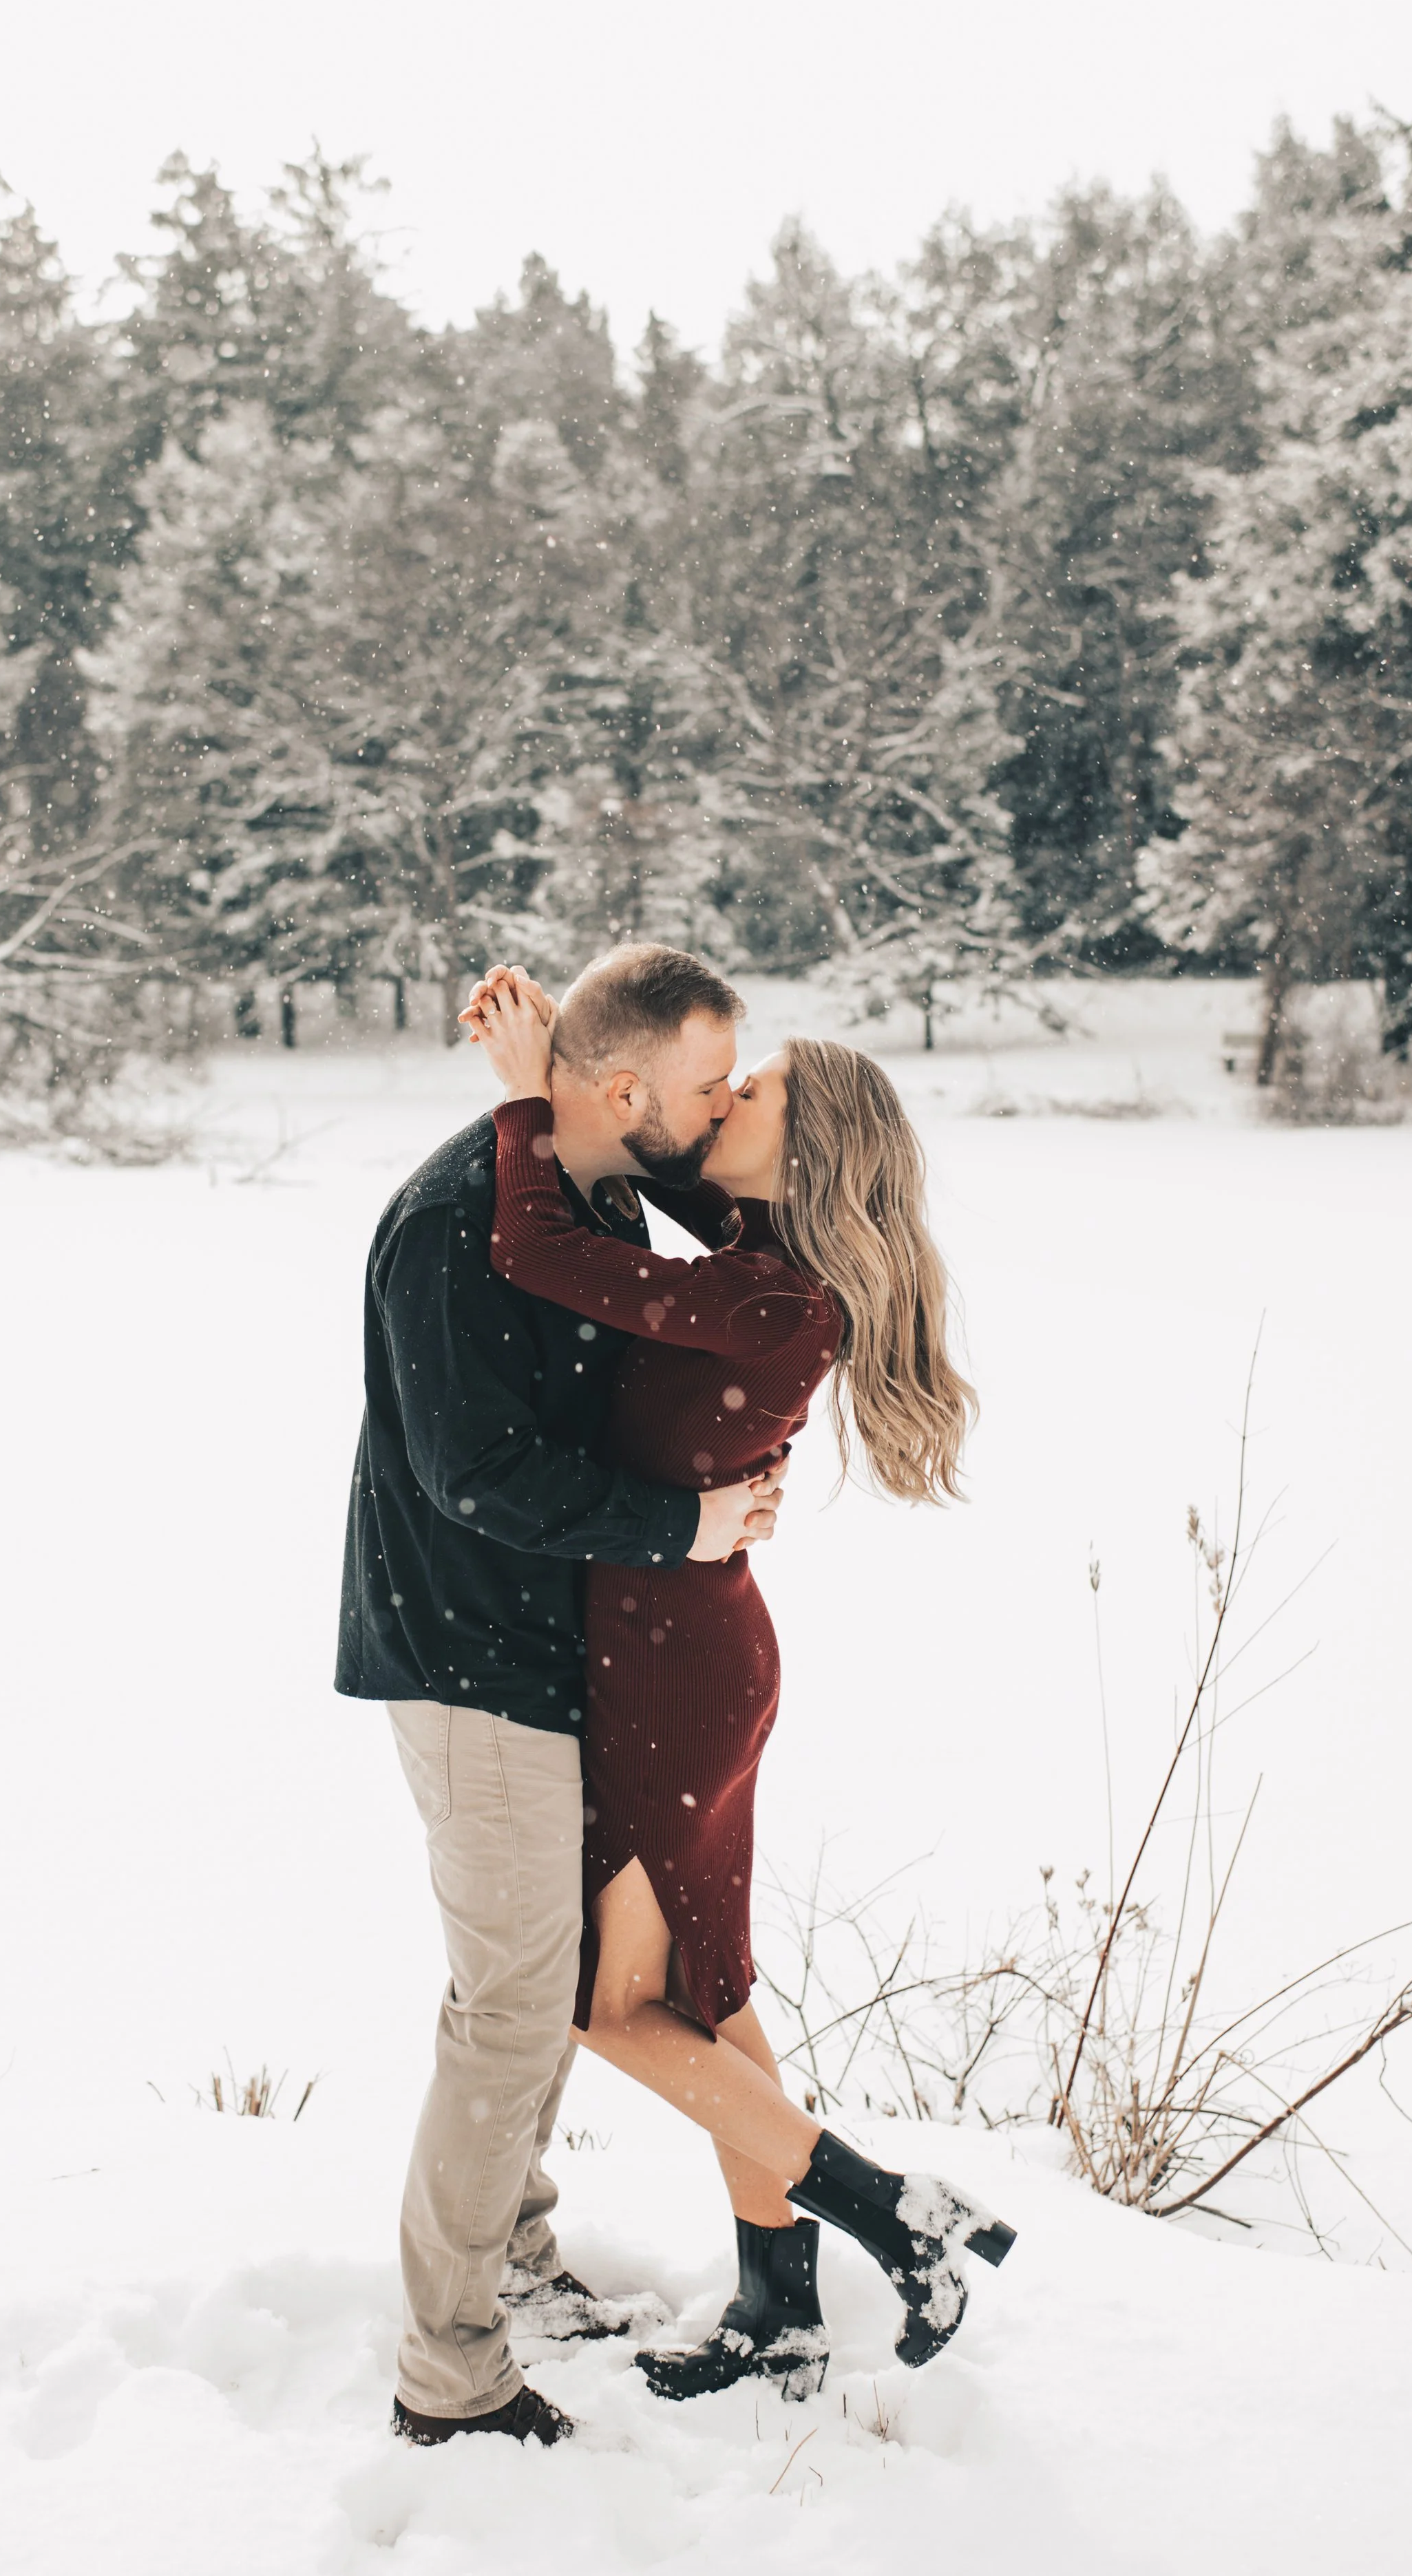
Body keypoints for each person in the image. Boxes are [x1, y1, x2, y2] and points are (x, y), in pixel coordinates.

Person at [465, 964, 1016, 2405]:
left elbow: (542, 1253)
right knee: (702, 2000)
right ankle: (777, 2298)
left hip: (674, 1669)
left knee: (612, 2008)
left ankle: (893, 2212)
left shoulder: (777, 1302)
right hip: (685, 1648)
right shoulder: (758, 1258)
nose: (725, 1097)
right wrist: (588, 1083)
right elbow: (639, 1195)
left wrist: (528, 1102)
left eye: (748, 1090)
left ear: (802, 1143)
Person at [337, 944, 786, 2448]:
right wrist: (683, 1530)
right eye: (707, 1082)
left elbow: (703, 1278)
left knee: (521, 1995)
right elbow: (473, 1475)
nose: (724, 1104)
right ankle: (447, 2375)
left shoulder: (583, 1188)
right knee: (514, 2008)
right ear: (618, 1091)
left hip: (558, 1658)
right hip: (469, 1662)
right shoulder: (452, 1224)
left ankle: (509, 2254)